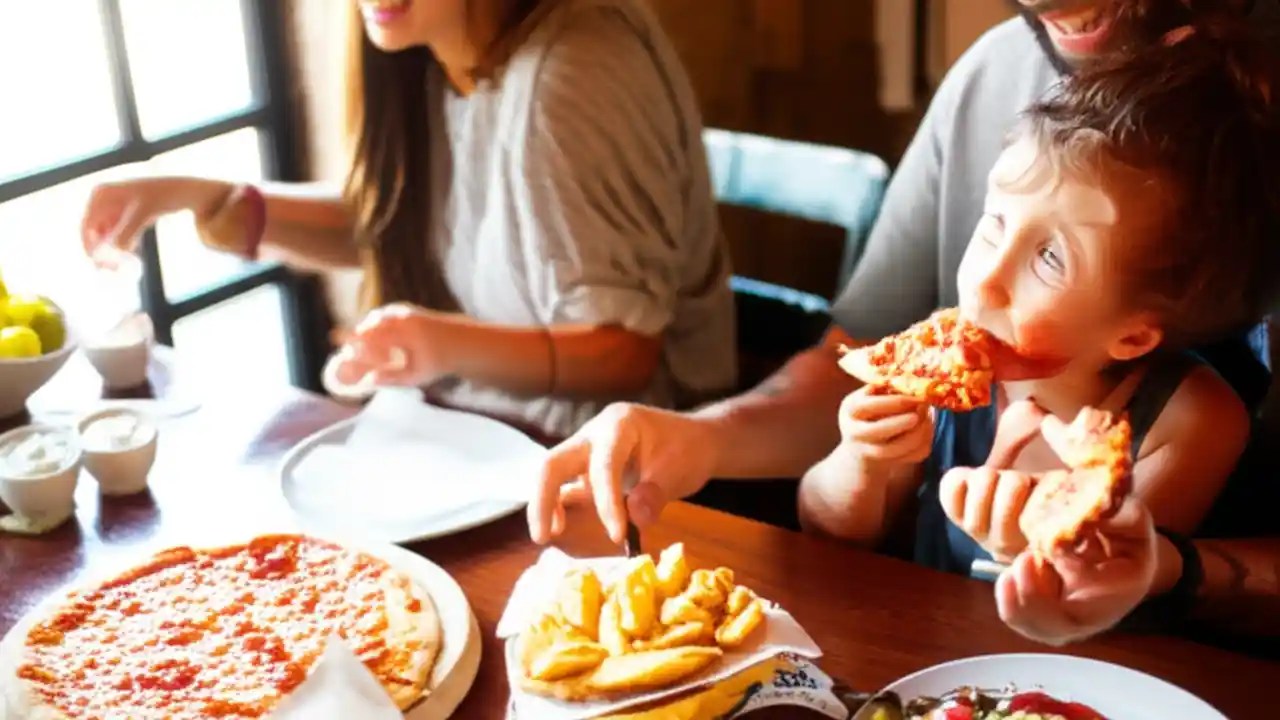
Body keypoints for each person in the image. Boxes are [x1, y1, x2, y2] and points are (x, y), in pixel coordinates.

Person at [527, 0, 1276, 544]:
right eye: (990, 227)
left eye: (1050, 256)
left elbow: (1127, 585)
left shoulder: (1190, 419)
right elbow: (835, 462)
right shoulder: (950, 373)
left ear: (1138, 334)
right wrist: (821, 455)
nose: (981, 282)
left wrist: (1051, 549)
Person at [80, 0, 735, 440]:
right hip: (490, 437)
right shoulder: (438, 53)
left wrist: (439, 343)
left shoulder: (578, 69)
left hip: (622, 473)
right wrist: (207, 196)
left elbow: (624, 354)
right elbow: (404, 221)